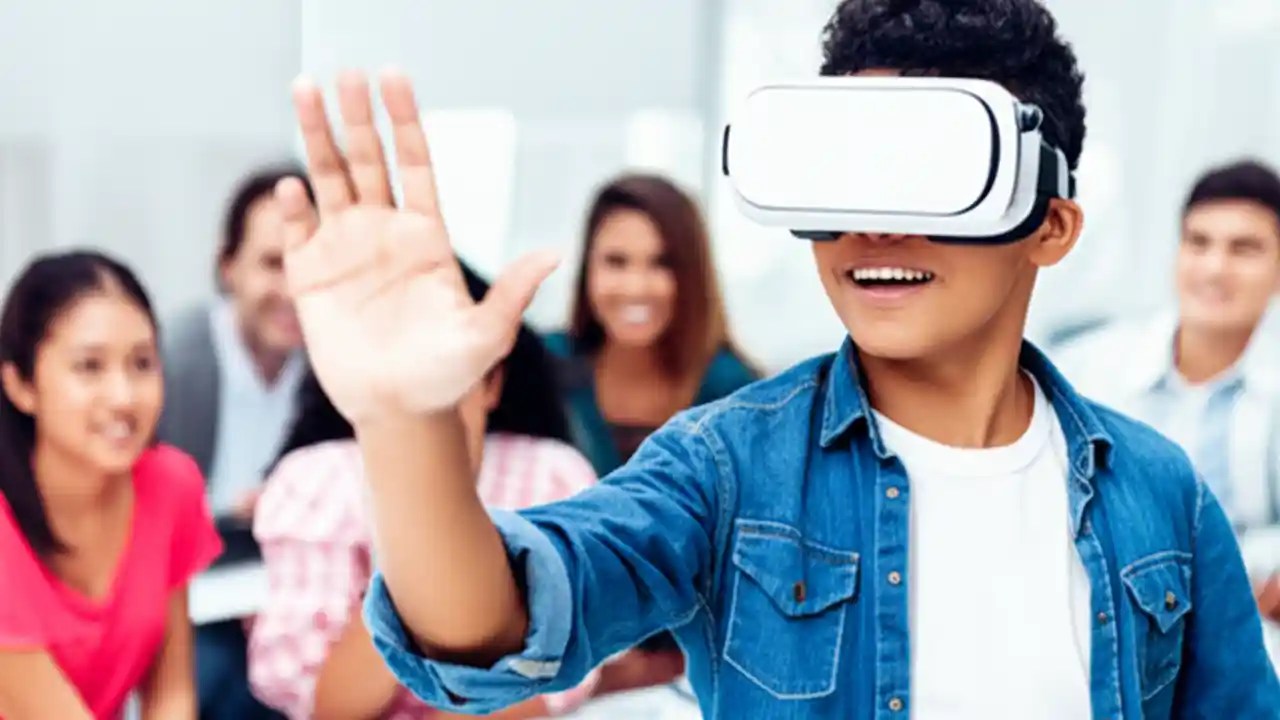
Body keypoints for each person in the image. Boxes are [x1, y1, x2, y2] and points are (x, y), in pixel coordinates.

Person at [274, 1, 1280, 717]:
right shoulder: (726, 468)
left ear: (1048, 224)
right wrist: (403, 419)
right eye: (844, 174)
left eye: (929, 175)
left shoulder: (1161, 494)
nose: (872, 228)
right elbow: (493, 626)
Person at [247, 261, 683, 719]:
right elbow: (329, 706)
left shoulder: (553, 477)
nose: (422, 398)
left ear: (492, 383)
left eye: (445, 374)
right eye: (402, 373)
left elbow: (562, 676)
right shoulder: (314, 483)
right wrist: (416, 542)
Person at [1054, 159, 1280, 625]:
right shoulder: (1088, 370)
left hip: (1242, 629)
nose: (1214, 268)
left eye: (1244, 249)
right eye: (1198, 243)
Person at [0, 251, 223, 719]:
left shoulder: (170, 483)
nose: (124, 397)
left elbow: (171, 694)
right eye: (89, 366)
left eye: (142, 363)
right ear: (21, 385)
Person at [159, 165, 311, 720]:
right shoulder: (176, 358)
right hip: (197, 589)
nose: (293, 289)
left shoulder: (331, 367)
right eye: (272, 263)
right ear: (229, 267)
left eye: (308, 264)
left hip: (291, 587)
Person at [546, 173, 758, 478]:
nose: (636, 288)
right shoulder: (545, 367)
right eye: (616, 262)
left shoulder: (734, 392)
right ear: (587, 267)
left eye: (661, 263)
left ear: (692, 274)